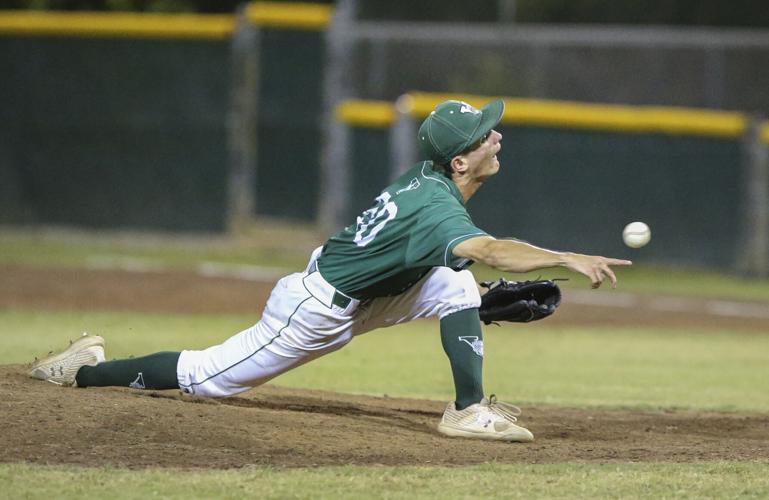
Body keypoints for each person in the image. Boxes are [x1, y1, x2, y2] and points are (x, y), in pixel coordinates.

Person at [30, 99, 631, 442]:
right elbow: (494, 249)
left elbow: (453, 253)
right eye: (483, 136)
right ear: (458, 159)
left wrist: (469, 300)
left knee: (453, 284)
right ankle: (83, 372)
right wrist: (565, 256)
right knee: (206, 378)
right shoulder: (435, 204)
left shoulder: (430, 184)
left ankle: (467, 410)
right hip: (315, 309)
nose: (496, 136)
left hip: (368, 287)